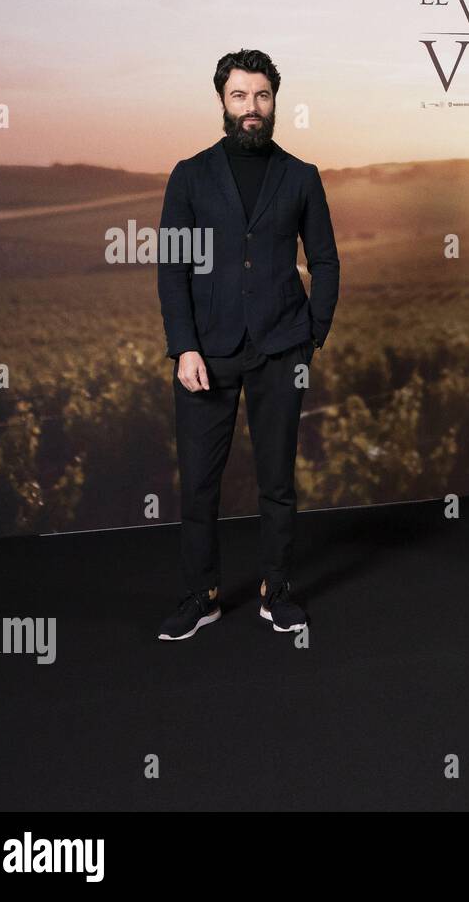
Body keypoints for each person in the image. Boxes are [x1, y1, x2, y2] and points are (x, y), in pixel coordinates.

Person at [156, 49, 339, 638]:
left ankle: (276, 587)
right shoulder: (189, 174)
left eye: (261, 96)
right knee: (199, 485)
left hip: (281, 350)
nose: (251, 107)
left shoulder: (302, 175)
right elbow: (172, 269)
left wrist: (310, 336)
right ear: (223, 101)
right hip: (205, 355)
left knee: (278, 480)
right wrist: (183, 346)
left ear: (274, 102)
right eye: (240, 96)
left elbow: (327, 262)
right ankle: (199, 595)